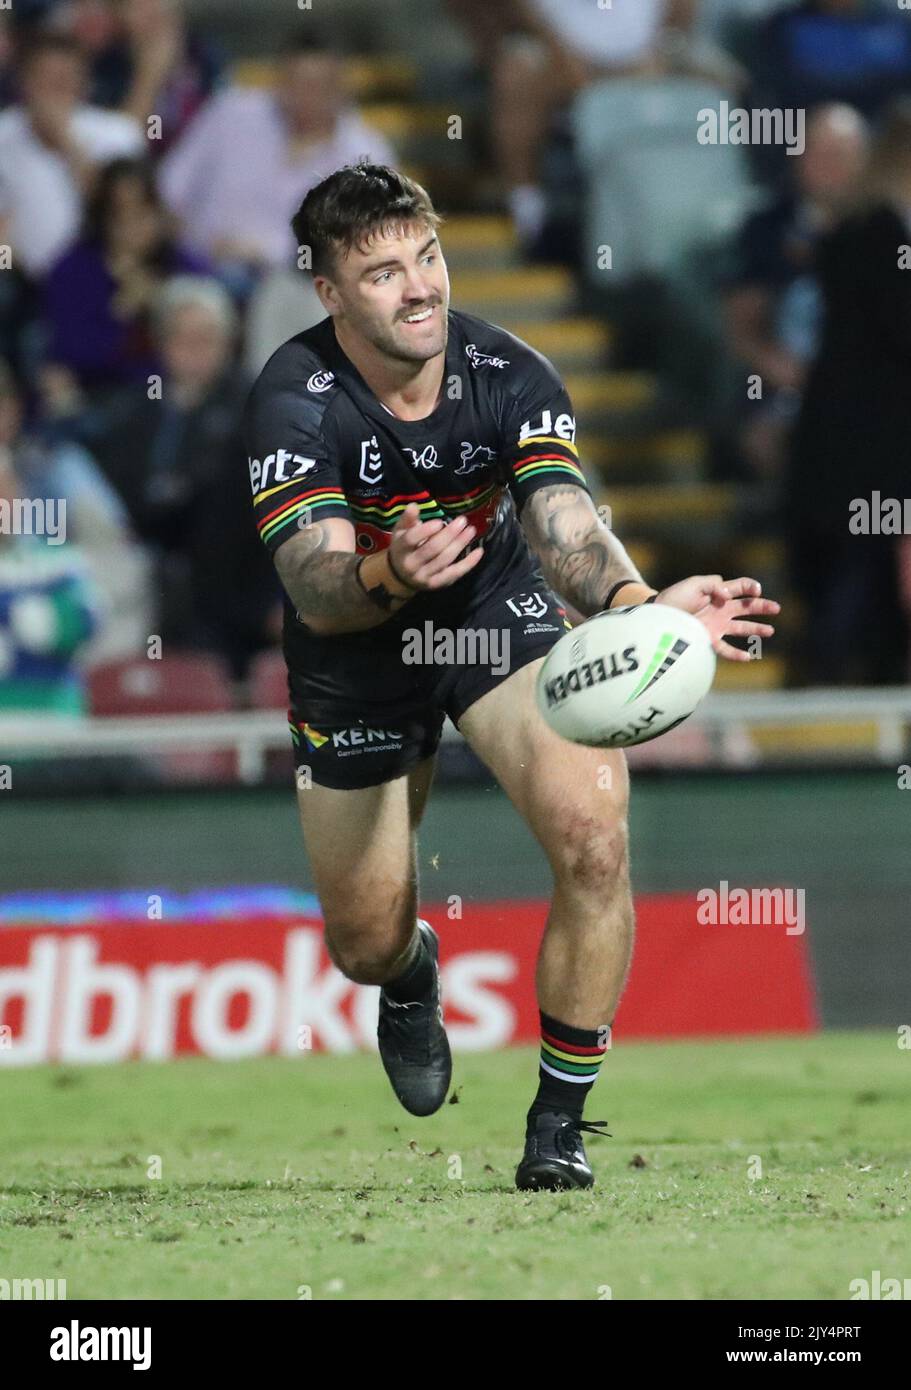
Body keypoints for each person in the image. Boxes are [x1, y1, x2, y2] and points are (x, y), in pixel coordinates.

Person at [244, 163, 779, 1191]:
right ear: (330, 293)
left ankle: (557, 1124)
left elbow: (564, 524)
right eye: (383, 273)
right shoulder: (293, 396)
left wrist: (640, 611)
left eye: (428, 257)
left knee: (593, 835)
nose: (420, 288)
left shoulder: (508, 372)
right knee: (361, 943)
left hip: (490, 616)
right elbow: (313, 584)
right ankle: (410, 972)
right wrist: (387, 571)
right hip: (356, 648)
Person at [90, 276, 278, 684]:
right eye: (182, 338)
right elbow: (122, 488)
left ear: (228, 343)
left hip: (232, 587)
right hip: (147, 567)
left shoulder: (252, 405)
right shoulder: (139, 407)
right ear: (162, 343)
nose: (194, 350)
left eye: (206, 338)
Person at [787, 99, 911, 685]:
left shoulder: (863, 229)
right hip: (867, 453)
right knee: (854, 589)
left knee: (864, 588)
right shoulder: (878, 233)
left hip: (861, 450)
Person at [159, 29, 395, 280]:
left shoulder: (366, 154)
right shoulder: (230, 113)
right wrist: (195, 245)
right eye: (297, 83)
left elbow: (368, 244)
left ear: (340, 88)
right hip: (204, 270)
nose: (306, 96)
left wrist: (272, 256)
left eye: (318, 86)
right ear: (279, 81)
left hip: (301, 282)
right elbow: (168, 189)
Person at [722, 103, 867, 478]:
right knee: (769, 435)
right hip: (786, 384)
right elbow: (742, 324)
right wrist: (783, 368)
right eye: (818, 153)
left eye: (840, 156)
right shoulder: (766, 228)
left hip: (865, 383)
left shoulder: (884, 234)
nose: (829, 168)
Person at [42, 156, 211, 398]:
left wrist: (162, 301)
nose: (133, 227)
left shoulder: (181, 264)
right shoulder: (73, 270)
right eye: (120, 215)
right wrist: (121, 312)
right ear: (102, 218)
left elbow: (213, 318)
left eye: (143, 212)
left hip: (177, 394)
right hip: (101, 394)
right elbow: (70, 352)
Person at [0, 32, 143, 280]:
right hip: (17, 278)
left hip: (104, 275)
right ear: (24, 82)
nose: (55, 91)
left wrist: (67, 144)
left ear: (84, 82)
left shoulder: (119, 134)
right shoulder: (4, 133)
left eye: (64, 79)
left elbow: (126, 212)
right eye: (45, 80)